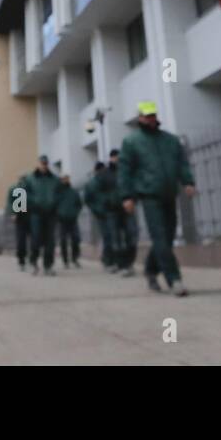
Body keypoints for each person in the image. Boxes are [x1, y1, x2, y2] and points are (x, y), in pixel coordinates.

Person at [118, 101, 196, 297]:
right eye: (146, 116)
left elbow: (182, 163)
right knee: (160, 237)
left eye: (152, 115)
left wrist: (188, 181)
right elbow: (125, 172)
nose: (150, 119)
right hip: (149, 195)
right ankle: (174, 280)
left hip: (169, 193)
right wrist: (127, 196)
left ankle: (150, 270)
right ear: (140, 118)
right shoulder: (131, 142)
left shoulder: (170, 140)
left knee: (167, 238)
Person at [22, 155, 60, 276]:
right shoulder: (30, 179)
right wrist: (32, 204)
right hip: (36, 213)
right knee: (36, 238)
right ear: (38, 164)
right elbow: (24, 194)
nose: (44, 165)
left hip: (50, 214)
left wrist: (55, 204)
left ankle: (48, 265)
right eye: (42, 163)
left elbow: (60, 194)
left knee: (50, 240)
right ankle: (33, 263)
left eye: (46, 163)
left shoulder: (54, 179)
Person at [102, 149, 138, 276]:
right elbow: (98, 192)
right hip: (112, 211)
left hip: (127, 209)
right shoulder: (104, 174)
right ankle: (122, 265)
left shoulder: (127, 171)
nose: (117, 159)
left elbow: (135, 186)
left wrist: (133, 200)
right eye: (114, 157)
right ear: (111, 158)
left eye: (118, 156)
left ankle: (129, 263)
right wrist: (105, 204)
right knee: (116, 240)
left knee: (132, 236)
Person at [83, 162, 115, 270]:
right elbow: (87, 200)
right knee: (108, 236)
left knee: (111, 236)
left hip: (111, 211)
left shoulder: (108, 180)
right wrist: (96, 209)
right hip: (101, 214)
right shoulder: (91, 184)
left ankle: (110, 259)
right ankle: (107, 260)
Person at [56, 174, 83, 268]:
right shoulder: (58, 193)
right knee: (63, 241)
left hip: (73, 219)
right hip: (62, 221)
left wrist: (75, 213)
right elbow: (55, 205)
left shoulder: (73, 192)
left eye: (67, 179)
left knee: (75, 239)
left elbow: (79, 204)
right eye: (64, 179)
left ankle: (75, 258)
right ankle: (65, 261)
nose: (65, 180)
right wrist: (58, 214)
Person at [8, 175, 29, 270]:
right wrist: (13, 213)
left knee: (22, 240)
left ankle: (23, 260)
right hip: (24, 217)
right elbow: (10, 202)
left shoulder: (14, 188)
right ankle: (23, 260)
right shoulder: (17, 189)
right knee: (23, 240)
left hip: (24, 217)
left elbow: (10, 202)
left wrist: (13, 213)